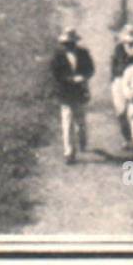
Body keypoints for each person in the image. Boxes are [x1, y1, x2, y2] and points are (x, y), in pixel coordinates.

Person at [50, 29, 95, 164]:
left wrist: (83, 77)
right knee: (67, 121)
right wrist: (68, 78)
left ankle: (82, 139)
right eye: (66, 43)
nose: (68, 45)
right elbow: (55, 72)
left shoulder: (83, 53)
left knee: (80, 119)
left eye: (71, 43)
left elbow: (90, 69)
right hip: (65, 91)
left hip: (80, 89)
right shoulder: (58, 56)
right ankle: (69, 152)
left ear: (75, 42)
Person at [109, 26, 133, 144]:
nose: (131, 42)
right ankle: (127, 138)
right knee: (121, 111)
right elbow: (118, 66)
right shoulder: (119, 48)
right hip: (120, 80)